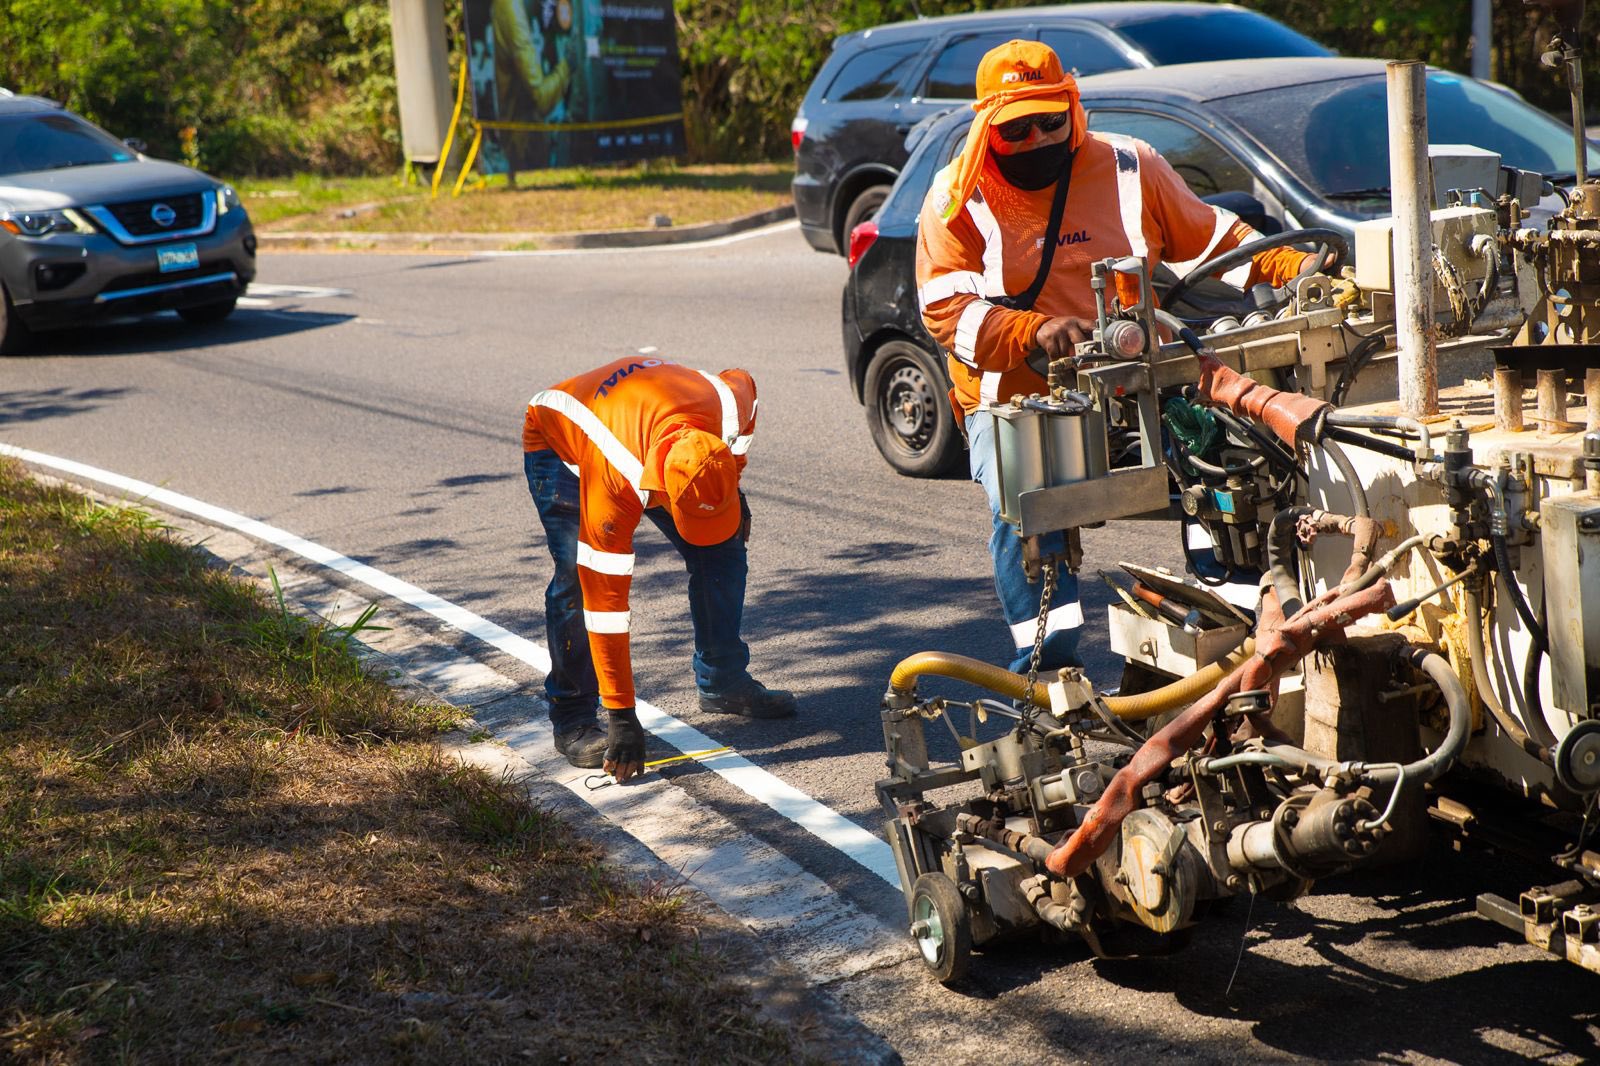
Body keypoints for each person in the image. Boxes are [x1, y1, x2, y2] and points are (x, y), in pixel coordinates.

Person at [915, 39, 1324, 677]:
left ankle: (1230, 626)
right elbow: (944, 309)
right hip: (1020, 396)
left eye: (1051, 121)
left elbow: (1211, 240)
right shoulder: (957, 196)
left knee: (1221, 467)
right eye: (1017, 128)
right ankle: (1046, 668)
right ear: (987, 126)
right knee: (1032, 507)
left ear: (1072, 107)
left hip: (1140, 374)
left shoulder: (1131, 167)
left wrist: (1298, 267)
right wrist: (1034, 330)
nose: (1037, 138)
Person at [523, 355, 796, 781]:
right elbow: (605, 606)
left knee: (722, 551)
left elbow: (744, 402)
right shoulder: (616, 478)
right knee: (577, 581)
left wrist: (731, 487)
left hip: (648, 422)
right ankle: (572, 714)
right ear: (662, 490)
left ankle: (723, 681)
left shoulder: (730, 404)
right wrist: (622, 716)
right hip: (561, 444)